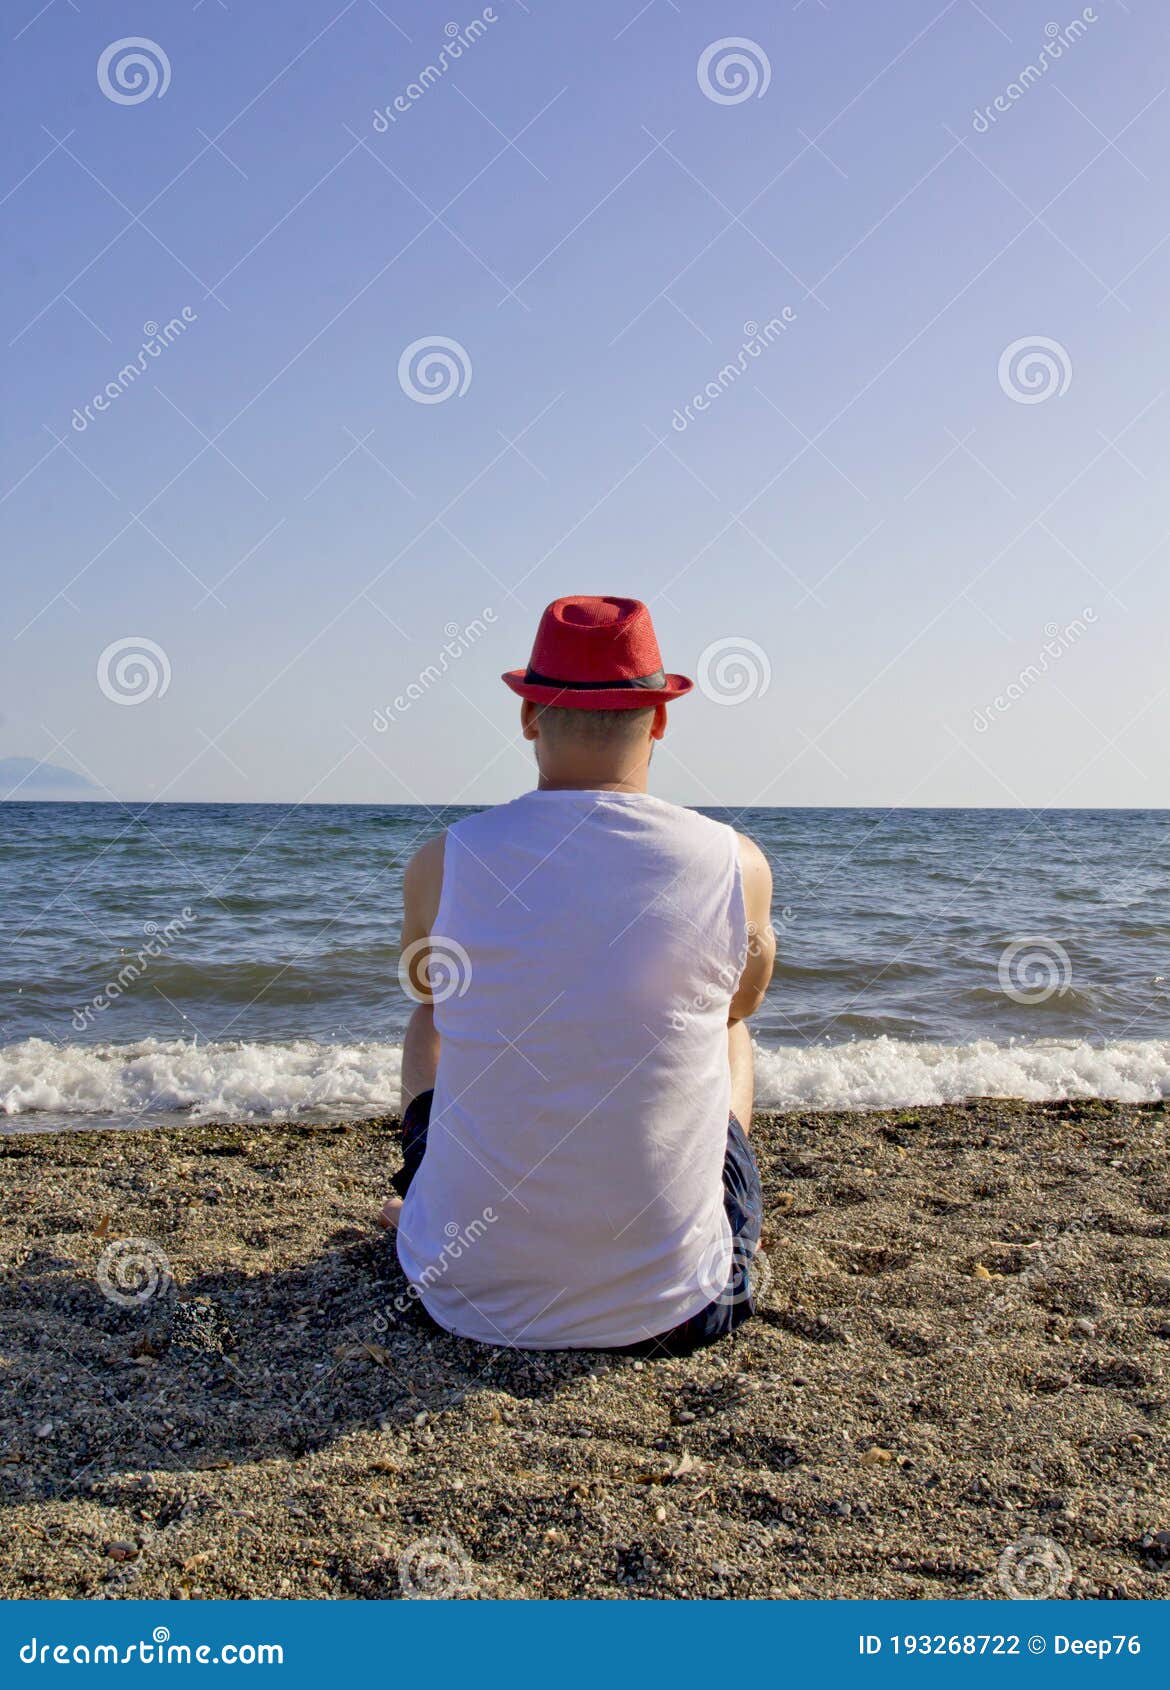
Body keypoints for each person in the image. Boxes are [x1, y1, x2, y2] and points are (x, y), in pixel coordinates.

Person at [380, 595, 775, 1354]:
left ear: (529, 717)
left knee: (435, 1013)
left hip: (459, 1294)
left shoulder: (444, 861)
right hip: (678, 1310)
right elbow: (740, 1002)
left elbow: (428, 998)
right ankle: (720, 1225)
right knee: (730, 1024)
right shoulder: (736, 862)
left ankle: (429, 1206)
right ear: (659, 720)